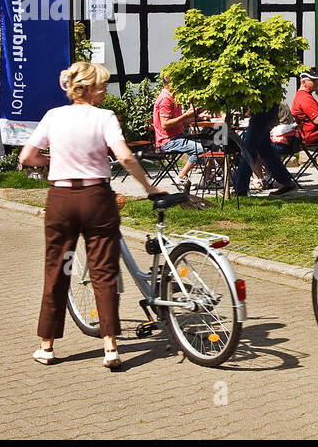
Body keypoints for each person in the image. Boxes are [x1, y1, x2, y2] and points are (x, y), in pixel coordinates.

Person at [18, 62, 164, 370]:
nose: (106, 90)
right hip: (96, 198)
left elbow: (26, 157)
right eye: (103, 85)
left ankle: (47, 345)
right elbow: (124, 156)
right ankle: (110, 346)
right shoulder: (104, 118)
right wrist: (149, 186)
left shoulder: (53, 116)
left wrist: (51, 161)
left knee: (56, 268)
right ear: (90, 89)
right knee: (103, 271)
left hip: (61, 199)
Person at [151, 73, 204, 185]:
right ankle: (181, 176)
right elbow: (165, 124)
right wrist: (186, 115)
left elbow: (182, 122)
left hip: (177, 136)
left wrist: (197, 115)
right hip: (168, 141)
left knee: (208, 142)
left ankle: (208, 179)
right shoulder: (166, 99)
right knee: (201, 149)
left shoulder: (174, 97)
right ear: (172, 84)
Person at [289, 71, 318, 147]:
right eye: (313, 80)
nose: (316, 82)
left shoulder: (301, 95)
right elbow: (317, 120)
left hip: (307, 134)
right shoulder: (305, 98)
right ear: (304, 82)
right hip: (313, 135)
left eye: (317, 80)